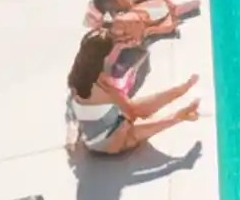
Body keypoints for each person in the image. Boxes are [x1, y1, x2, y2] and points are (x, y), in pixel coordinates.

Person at [67, 28, 200, 155]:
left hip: (92, 137)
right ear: (104, 56)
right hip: (110, 144)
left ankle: (180, 91)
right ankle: (179, 116)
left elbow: (75, 109)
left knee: (129, 111)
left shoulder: (77, 76)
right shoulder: (103, 84)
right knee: (130, 122)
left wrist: (120, 46)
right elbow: (133, 112)